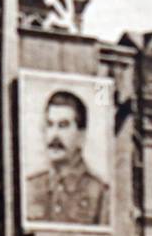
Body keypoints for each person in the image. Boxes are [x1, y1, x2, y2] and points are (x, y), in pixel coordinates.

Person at [26, 90, 108, 226]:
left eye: (63, 126)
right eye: (50, 125)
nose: (54, 135)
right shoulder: (31, 187)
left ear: (81, 135)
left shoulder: (99, 193)